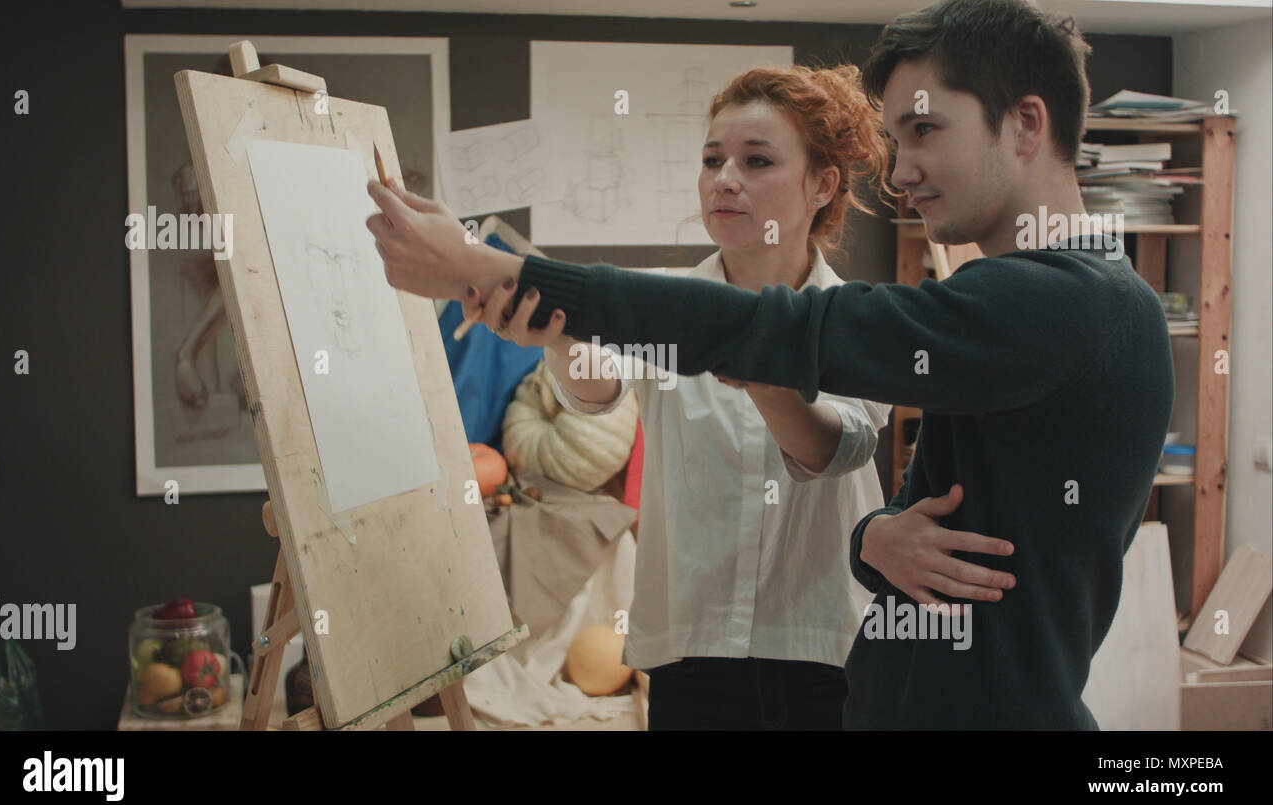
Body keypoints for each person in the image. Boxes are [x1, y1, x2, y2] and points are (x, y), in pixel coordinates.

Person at [367, 0, 1174, 729]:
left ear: (1026, 124)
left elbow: (805, 387)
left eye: (924, 131)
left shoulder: (1054, 303)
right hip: (776, 669)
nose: (901, 171)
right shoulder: (1002, 295)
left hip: (836, 664)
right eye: (896, 140)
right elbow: (926, 511)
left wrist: (501, 270)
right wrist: (873, 538)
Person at [474, 63, 895, 730]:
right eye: (711, 159)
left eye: (756, 160)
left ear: (822, 184)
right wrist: (553, 335)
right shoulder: (661, 303)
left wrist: (747, 357)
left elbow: (830, 446)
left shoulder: (859, 318)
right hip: (687, 650)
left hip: (821, 649)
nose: (725, 178)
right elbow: (596, 389)